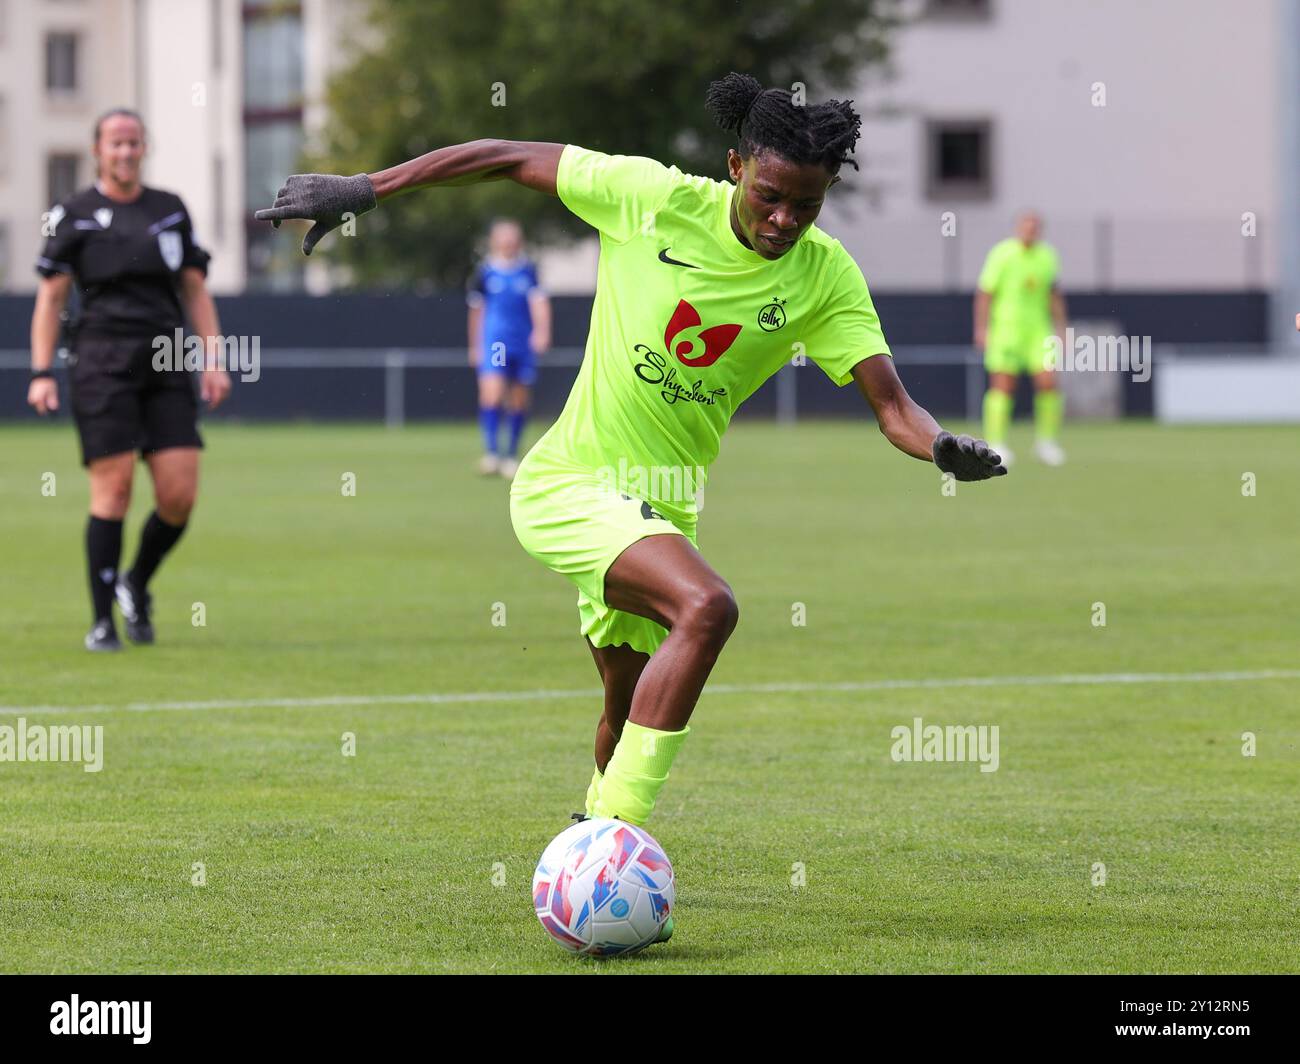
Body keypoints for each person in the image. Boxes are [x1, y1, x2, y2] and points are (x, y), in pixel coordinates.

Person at [255, 73, 1006, 941]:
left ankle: (595, 822)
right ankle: (609, 842)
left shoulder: (826, 277)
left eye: (807, 204)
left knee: (624, 703)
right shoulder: (651, 198)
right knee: (709, 606)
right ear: (734, 168)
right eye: (769, 197)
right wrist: (369, 187)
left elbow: (893, 407)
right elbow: (507, 156)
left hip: (663, 514)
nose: (784, 221)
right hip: (568, 486)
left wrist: (941, 447)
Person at [29, 108, 230, 651]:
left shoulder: (169, 210)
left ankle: (135, 582)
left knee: (179, 496)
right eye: (115, 143)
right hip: (100, 363)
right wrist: (42, 371)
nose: (125, 151)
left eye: (134, 142)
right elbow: (50, 298)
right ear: (98, 150)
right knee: (113, 490)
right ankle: (101, 621)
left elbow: (195, 289)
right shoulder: (72, 213)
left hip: (166, 363)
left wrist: (214, 358)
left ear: (145, 148)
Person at [974, 212, 1068, 466]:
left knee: (1049, 382)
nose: (1030, 231)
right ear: (1017, 229)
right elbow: (985, 293)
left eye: (1035, 227)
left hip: (1038, 332)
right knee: (1002, 386)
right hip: (1006, 332)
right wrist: (982, 328)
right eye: (1026, 227)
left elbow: (1054, 294)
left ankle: (1046, 442)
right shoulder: (1002, 254)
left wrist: (1061, 329)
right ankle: (995, 444)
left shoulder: (1048, 256)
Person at [466, 219, 551, 478]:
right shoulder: (485, 273)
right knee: (492, 394)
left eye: (512, 238)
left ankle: (511, 456)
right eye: (503, 238)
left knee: (518, 399)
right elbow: (476, 311)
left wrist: (542, 332)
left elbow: (539, 303)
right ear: (494, 241)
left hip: (522, 343)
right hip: (496, 343)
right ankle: (492, 454)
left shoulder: (528, 271)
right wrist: (475, 345)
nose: (508, 242)